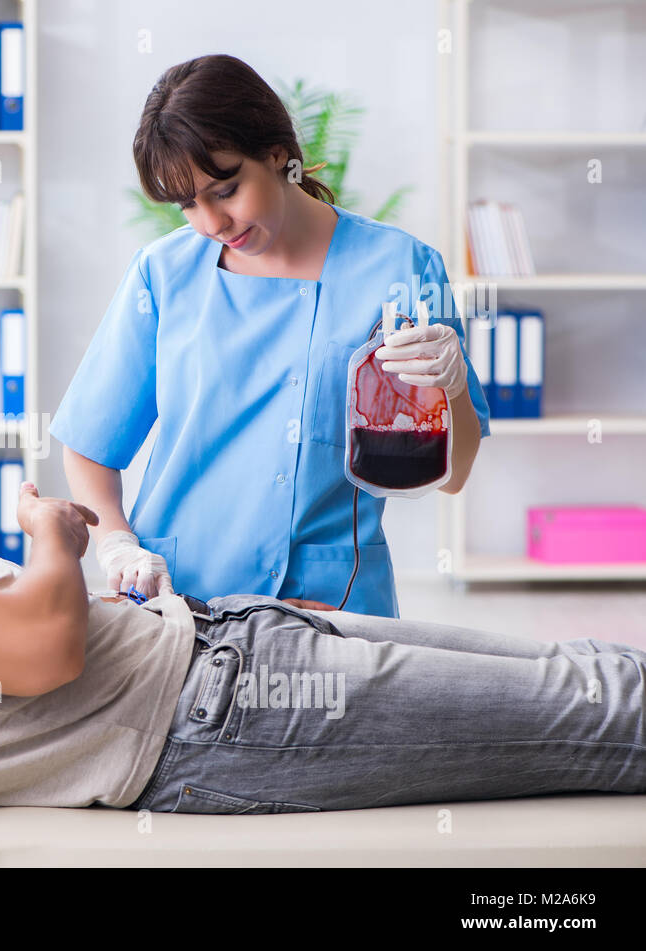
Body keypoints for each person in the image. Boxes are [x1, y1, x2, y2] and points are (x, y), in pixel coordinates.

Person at [0, 274, 646, 814]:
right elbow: (37, 653)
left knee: (598, 675)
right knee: (605, 712)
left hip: (217, 648)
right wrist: (54, 536)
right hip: (211, 717)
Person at [50, 54, 492, 618]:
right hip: (183, 603)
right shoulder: (161, 276)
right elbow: (91, 446)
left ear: (279, 157)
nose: (212, 223)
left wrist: (450, 387)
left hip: (335, 605)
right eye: (187, 204)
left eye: (226, 189)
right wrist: (116, 543)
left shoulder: (399, 269)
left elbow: (452, 477)